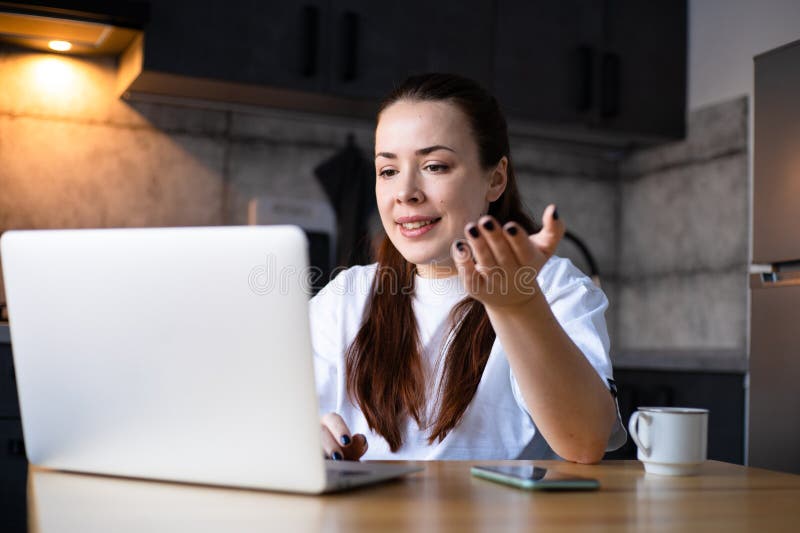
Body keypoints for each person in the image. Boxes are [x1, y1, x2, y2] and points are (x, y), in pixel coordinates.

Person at [310, 73, 626, 463]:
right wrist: (304, 433)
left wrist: (519, 305)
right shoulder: (345, 297)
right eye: (388, 171)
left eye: (435, 166)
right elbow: (265, 411)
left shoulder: (556, 286)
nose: (405, 193)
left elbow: (586, 441)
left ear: (495, 179)